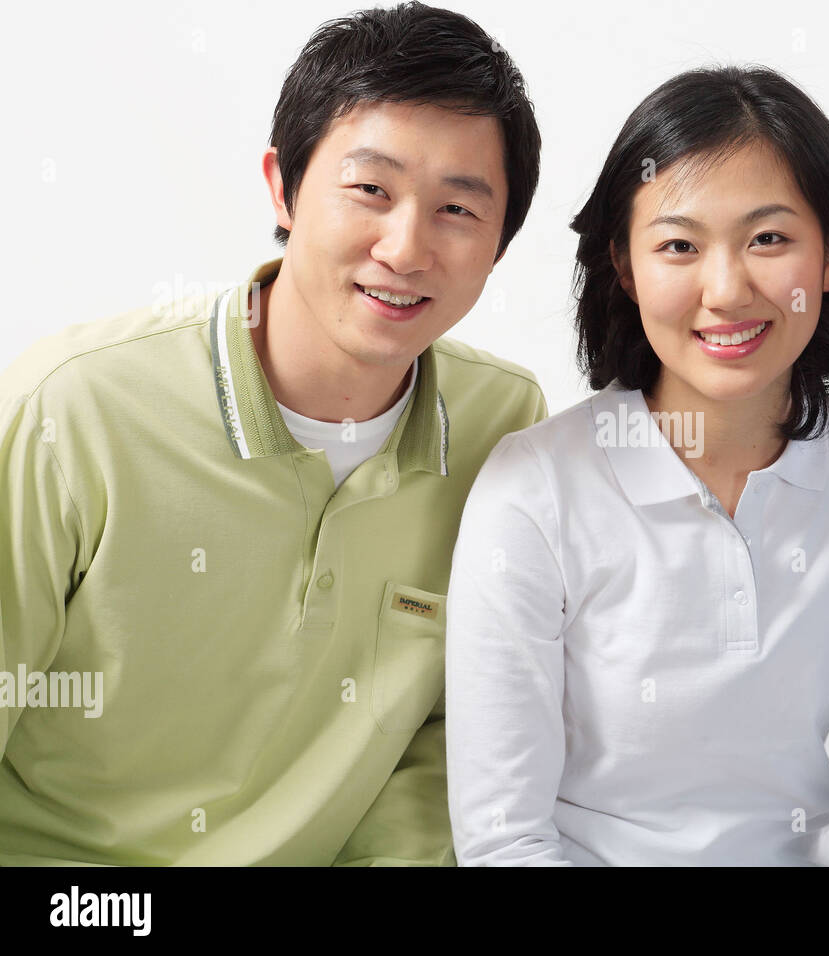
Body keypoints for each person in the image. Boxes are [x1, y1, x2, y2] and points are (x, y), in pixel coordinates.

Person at [0, 3, 546, 865]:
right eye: (370, 189)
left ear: (500, 246)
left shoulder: (501, 428)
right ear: (282, 188)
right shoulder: (72, 412)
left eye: (458, 209)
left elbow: (453, 729)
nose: (405, 247)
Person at [445, 65, 829, 866]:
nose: (725, 291)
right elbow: (504, 839)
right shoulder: (534, 489)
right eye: (679, 245)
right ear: (624, 264)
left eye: (768, 239)